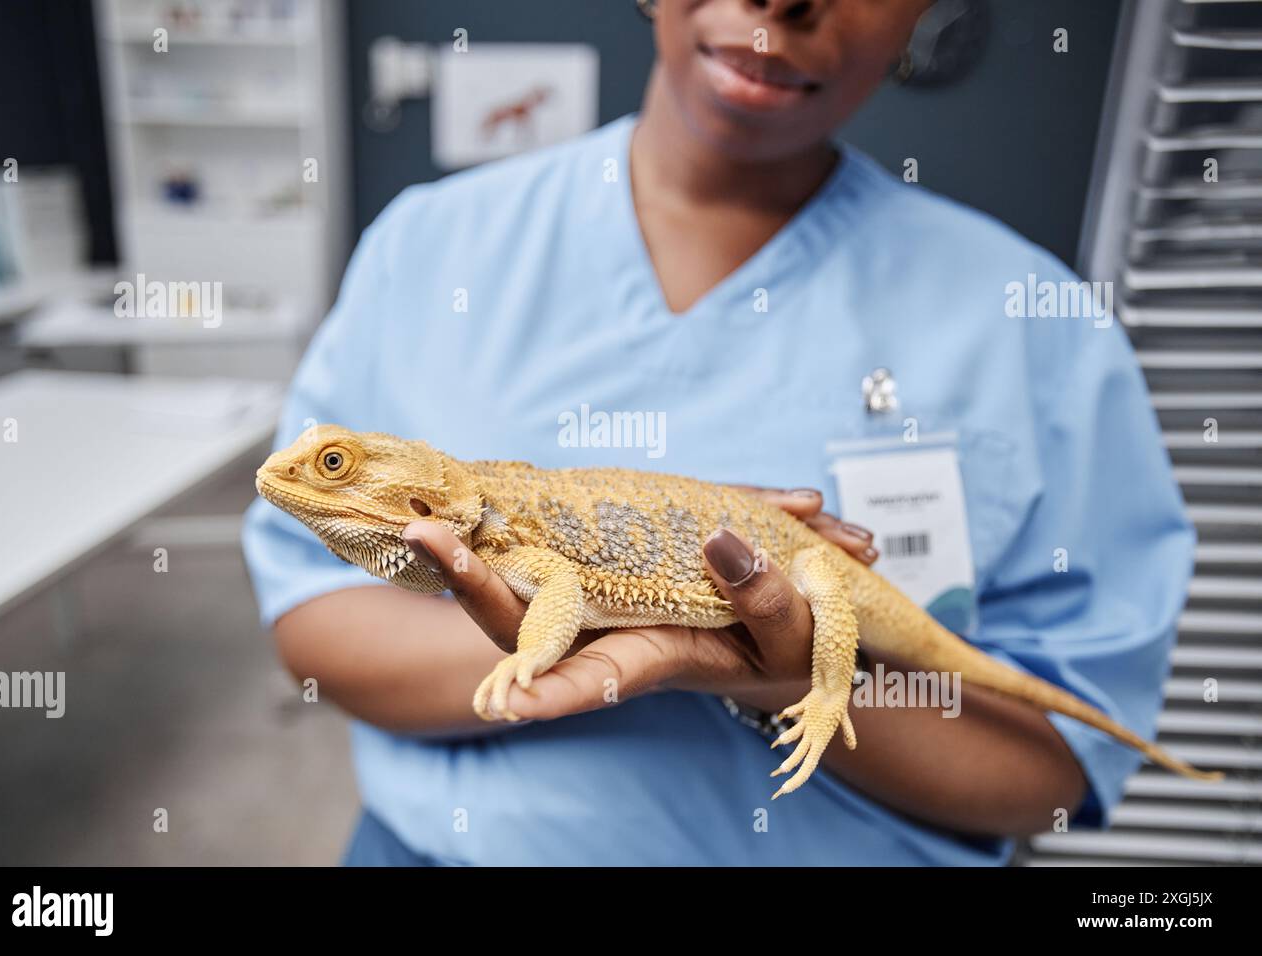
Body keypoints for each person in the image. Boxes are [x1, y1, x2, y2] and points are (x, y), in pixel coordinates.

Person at [242, 0, 1194, 865]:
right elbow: (314, 623)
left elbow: (1056, 770)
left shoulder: (1036, 319)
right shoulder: (427, 242)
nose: (781, 1)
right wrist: (602, 640)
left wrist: (795, 681)